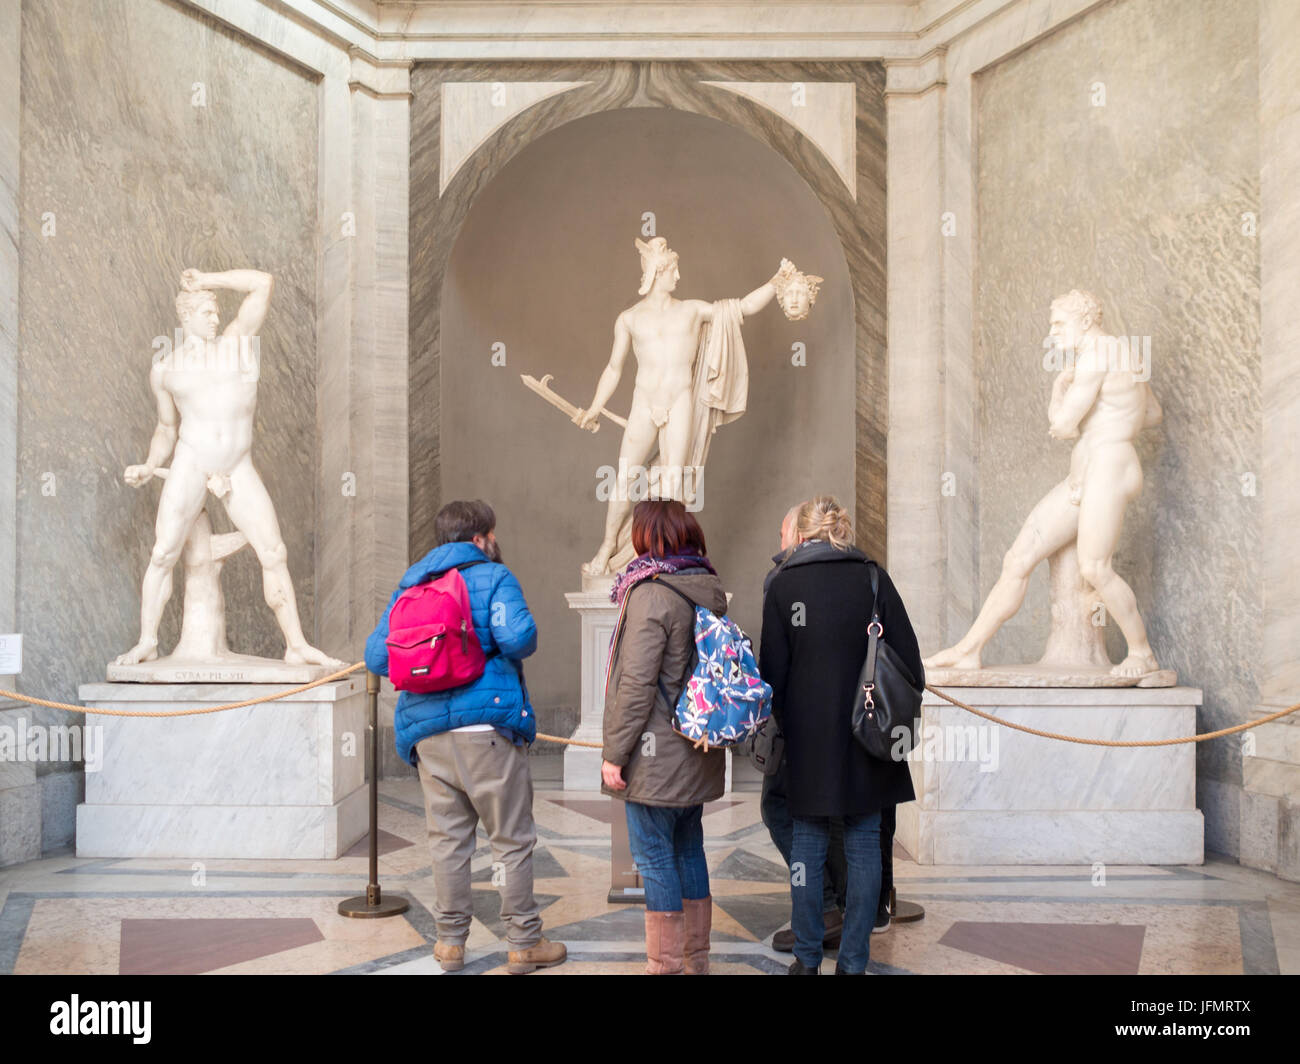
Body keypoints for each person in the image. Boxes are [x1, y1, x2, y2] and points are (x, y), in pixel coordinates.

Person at [365, 499, 566, 975]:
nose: (495, 541)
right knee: (510, 840)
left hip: (428, 735)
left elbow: (376, 657)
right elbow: (519, 639)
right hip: (486, 731)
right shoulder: (495, 576)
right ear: (481, 537)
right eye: (493, 533)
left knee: (448, 841)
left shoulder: (410, 584)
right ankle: (523, 943)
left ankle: (450, 943)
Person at [760, 495, 921, 974]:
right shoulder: (873, 578)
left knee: (807, 845)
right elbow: (911, 664)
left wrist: (795, 725)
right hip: (869, 735)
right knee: (865, 842)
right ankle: (853, 963)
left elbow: (773, 676)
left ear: (802, 534)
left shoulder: (784, 584)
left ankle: (807, 960)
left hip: (809, 742)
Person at [601, 499, 728, 974]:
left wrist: (614, 754)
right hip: (696, 748)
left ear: (647, 537)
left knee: (653, 856)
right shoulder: (705, 586)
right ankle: (696, 960)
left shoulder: (652, 593)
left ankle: (665, 965)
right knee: (688, 847)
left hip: (656, 756)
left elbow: (635, 683)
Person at [760, 504, 848, 953]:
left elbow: (774, 663)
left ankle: (822, 911)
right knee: (834, 818)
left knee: (784, 809)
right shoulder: (863, 573)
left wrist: (768, 713)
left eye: (781, 534)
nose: (778, 544)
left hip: (797, 722)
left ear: (798, 534)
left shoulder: (784, 579)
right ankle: (840, 911)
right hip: (847, 722)